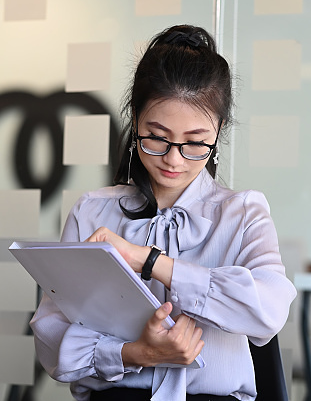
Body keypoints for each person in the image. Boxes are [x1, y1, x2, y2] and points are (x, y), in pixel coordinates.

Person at [30, 25, 297, 401]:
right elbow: (50, 337)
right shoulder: (92, 211)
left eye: (195, 143)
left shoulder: (242, 213)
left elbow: (269, 310)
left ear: (218, 131)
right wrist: (138, 353)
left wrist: (149, 260)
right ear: (135, 118)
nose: (173, 159)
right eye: (156, 137)